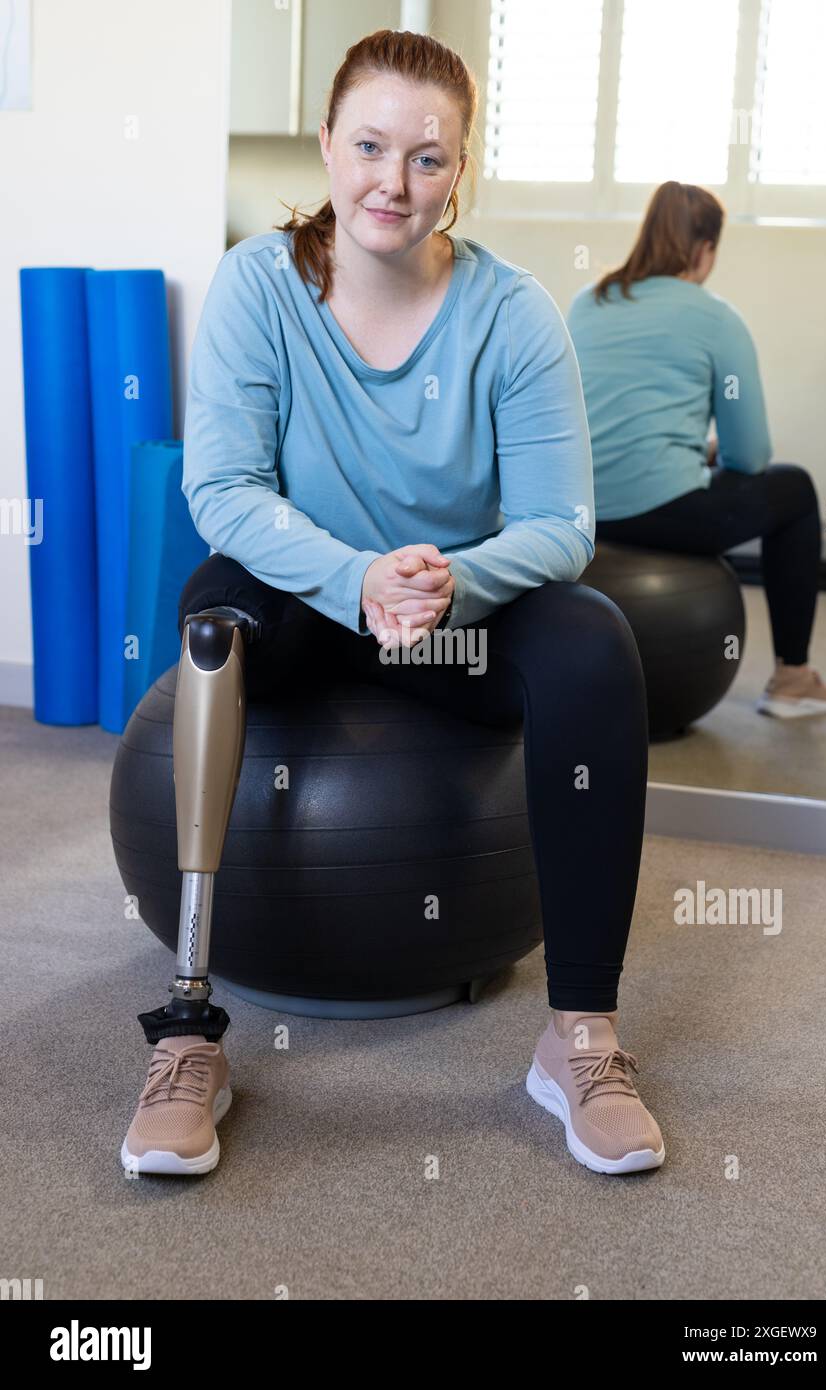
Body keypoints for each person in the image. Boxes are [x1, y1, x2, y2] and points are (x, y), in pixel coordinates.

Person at [122, 29, 664, 1179]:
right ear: (327, 145)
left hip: (455, 619)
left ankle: (581, 1039)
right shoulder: (262, 286)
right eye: (369, 145)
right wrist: (352, 577)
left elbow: (564, 523)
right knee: (213, 616)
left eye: (427, 157)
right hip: (310, 601)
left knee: (594, 642)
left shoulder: (514, 314)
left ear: (460, 170)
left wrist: (450, 580)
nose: (394, 181)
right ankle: (188, 1033)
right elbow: (222, 487)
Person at [567, 181, 826, 720]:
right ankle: (792, 678)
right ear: (706, 249)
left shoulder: (588, 301)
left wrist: (691, 446)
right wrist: (710, 452)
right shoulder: (716, 316)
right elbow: (751, 455)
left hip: (582, 511)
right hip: (661, 513)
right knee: (796, 488)